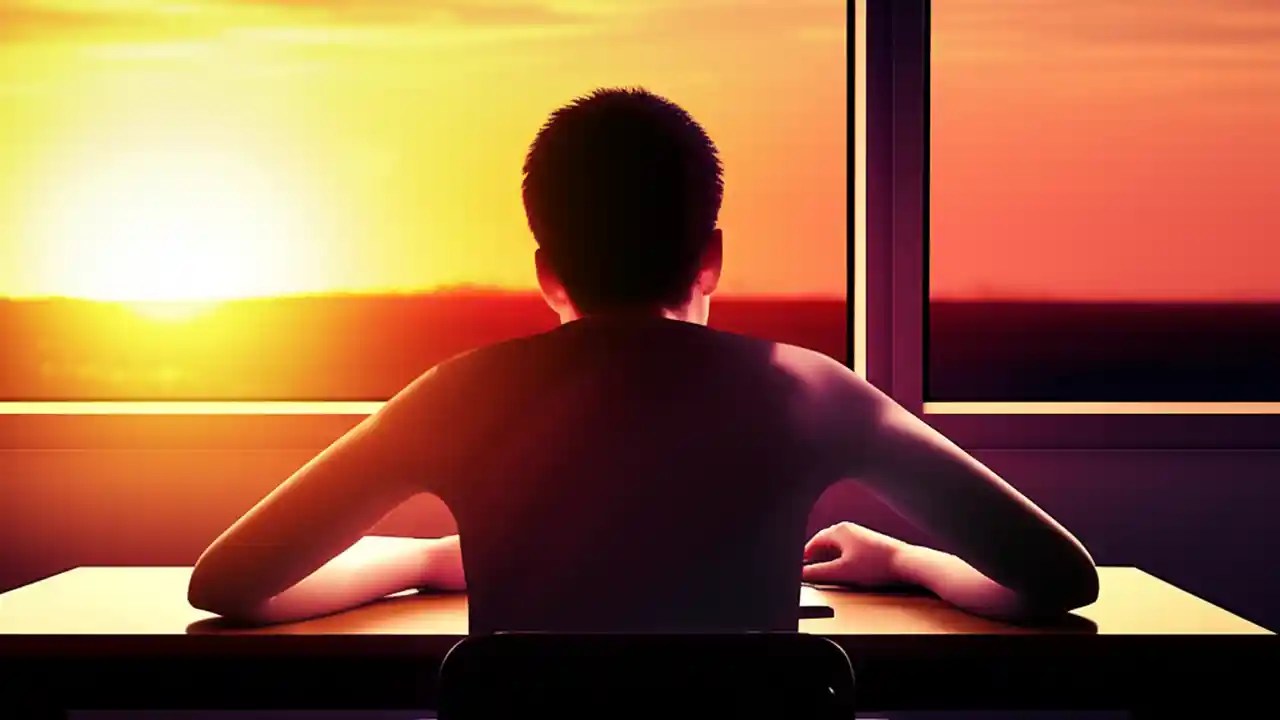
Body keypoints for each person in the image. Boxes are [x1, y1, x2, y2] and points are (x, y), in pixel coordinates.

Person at [188, 88, 1098, 631]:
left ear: (548, 273)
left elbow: (227, 584)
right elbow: (1061, 580)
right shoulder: (810, 390)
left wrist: (425, 561)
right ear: (711, 259)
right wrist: (901, 563)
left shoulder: (457, 394)